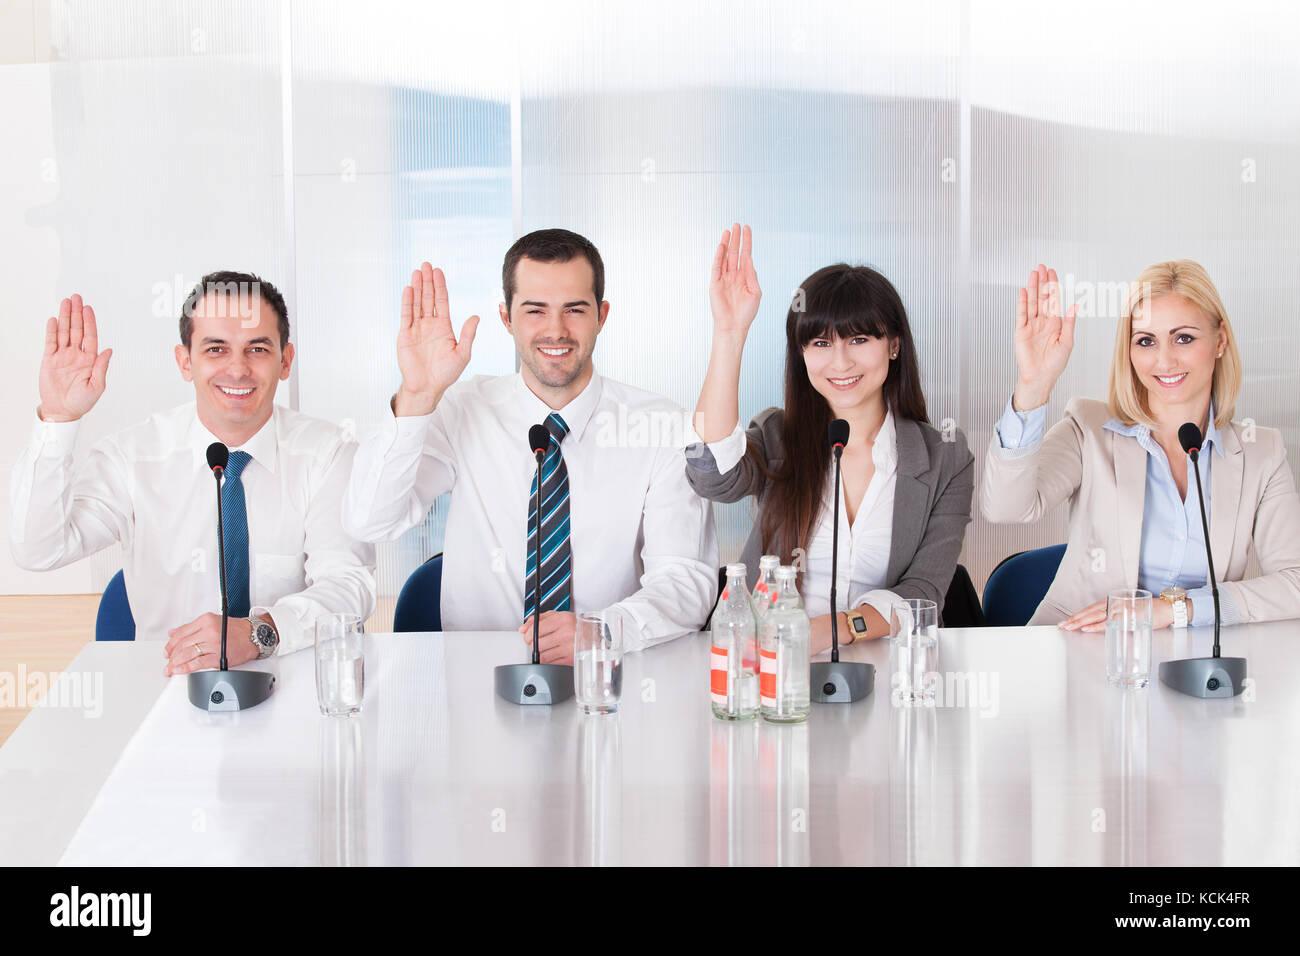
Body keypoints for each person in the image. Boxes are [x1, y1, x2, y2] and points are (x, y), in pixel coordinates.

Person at [342, 229, 718, 663]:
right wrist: (417, 396)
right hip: (478, 688)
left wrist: (605, 631)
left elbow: (685, 579)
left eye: (574, 309)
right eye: (534, 310)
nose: (555, 330)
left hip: (611, 680)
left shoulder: (659, 426)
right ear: (506, 318)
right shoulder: (459, 410)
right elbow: (368, 521)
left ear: (602, 315)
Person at [10, 273, 377, 674]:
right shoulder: (131, 458)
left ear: (285, 361)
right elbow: (38, 550)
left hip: (295, 681)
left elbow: (348, 586)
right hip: (169, 691)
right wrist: (59, 419)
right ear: (185, 362)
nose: (237, 369)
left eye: (257, 348)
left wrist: (261, 633)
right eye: (216, 349)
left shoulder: (329, 453)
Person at [686, 224, 974, 651]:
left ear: (893, 345)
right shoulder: (777, 436)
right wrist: (730, 333)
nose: (840, 362)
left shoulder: (944, 458)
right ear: (801, 354)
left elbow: (923, 590)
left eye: (859, 339)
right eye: (821, 342)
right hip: (763, 660)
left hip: (880, 666)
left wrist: (835, 629)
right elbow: (711, 476)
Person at [981, 261, 1300, 631]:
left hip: (1197, 663)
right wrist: (1033, 386)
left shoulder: (1262, 451)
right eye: (1146, 341)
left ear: (1220, 340)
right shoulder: (1089, 428)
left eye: (1184, 338)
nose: (1164, 360)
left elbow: (1294, 582)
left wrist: (1175, 610)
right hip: (1083, 652)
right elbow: (1005, 508)